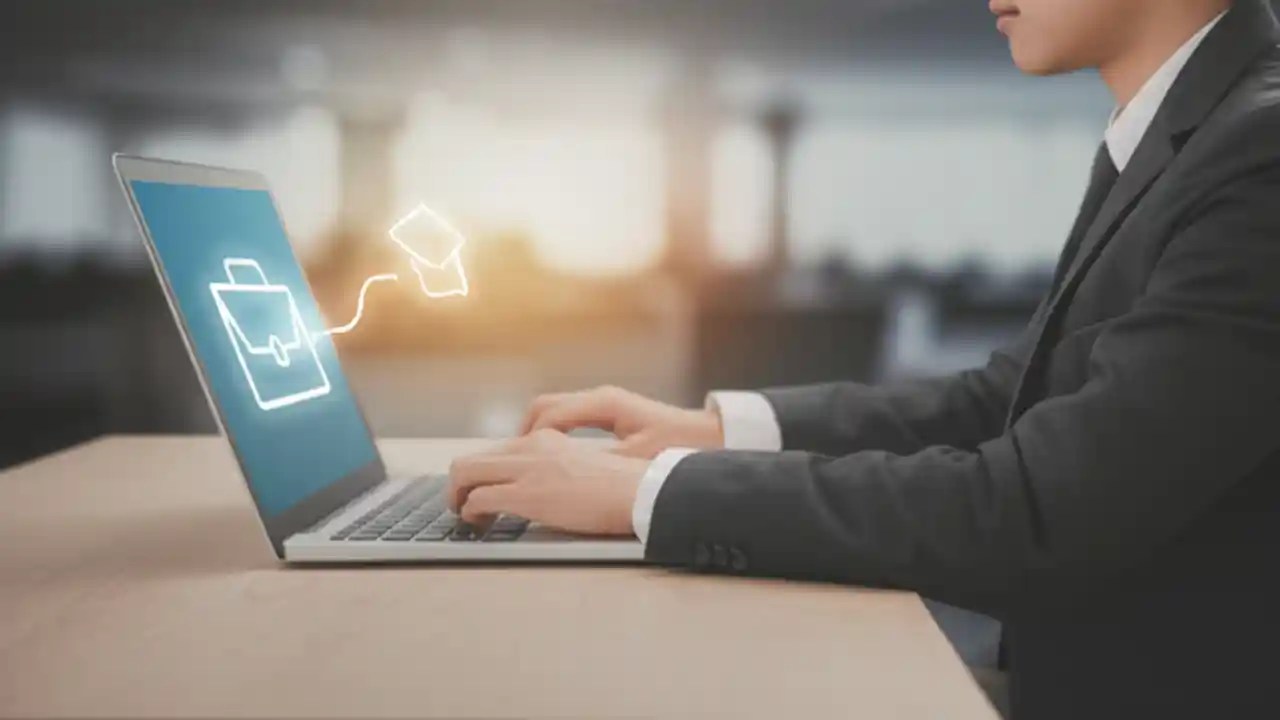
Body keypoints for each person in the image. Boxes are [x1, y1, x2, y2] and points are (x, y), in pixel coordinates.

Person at [450, 0, 1280, 716]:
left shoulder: (1258, 152)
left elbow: (1040, 509)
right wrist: (718, 431)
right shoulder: (1200, 133)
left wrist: (650, 491)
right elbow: (1008, 400)